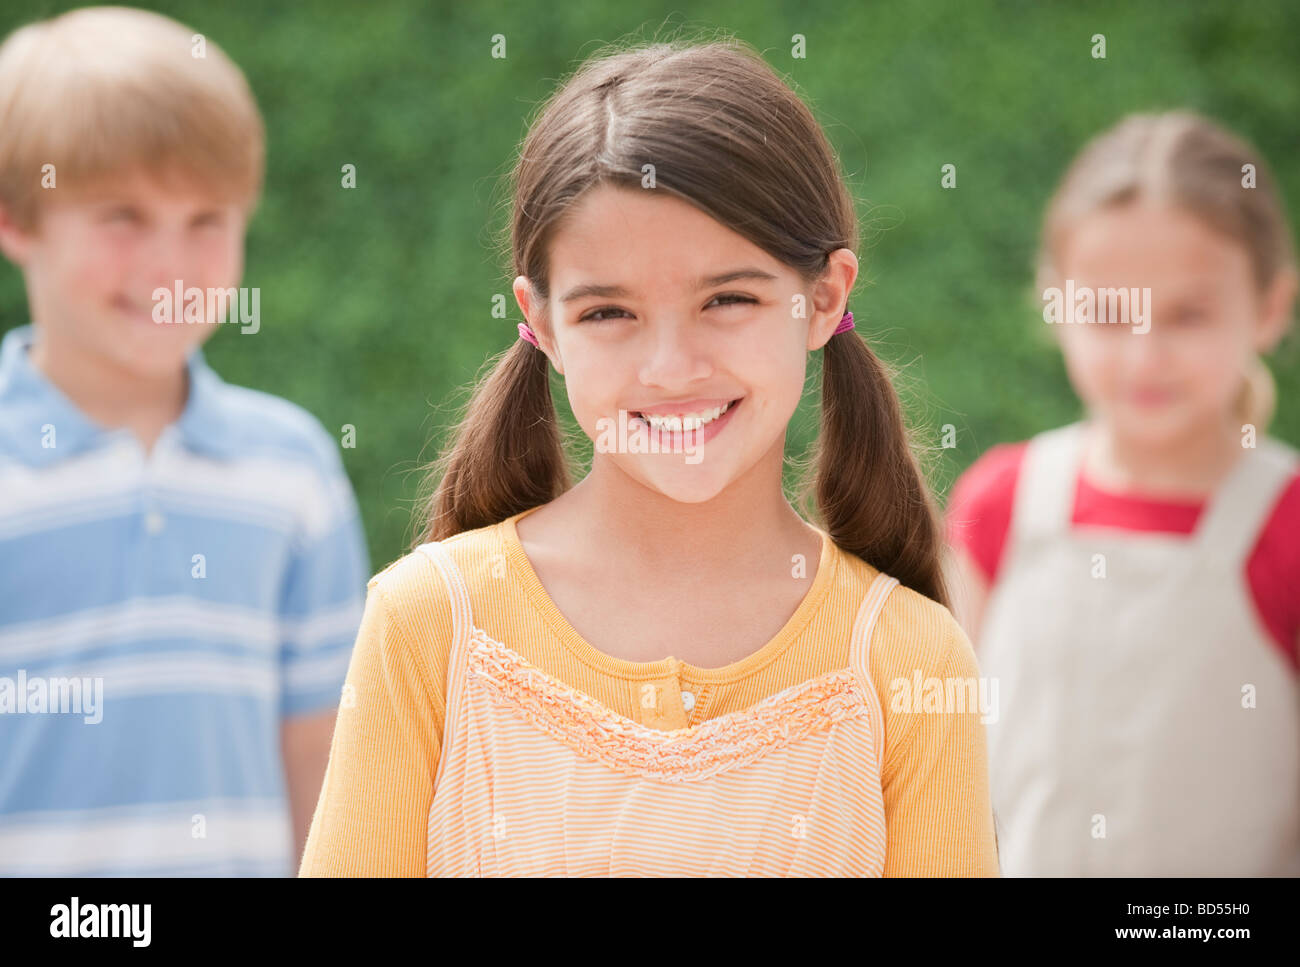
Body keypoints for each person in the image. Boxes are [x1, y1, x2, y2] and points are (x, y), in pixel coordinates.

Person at [300, 36, 998, 877]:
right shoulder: (428, 624)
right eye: (608, 313)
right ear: (544, 322)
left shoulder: (909, 659)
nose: (671, 369)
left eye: (728, 299)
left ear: (823, 298)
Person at [0, 6, 369, 876]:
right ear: (17, 219)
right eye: (121, 214)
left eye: (207, 218)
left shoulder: (294, 471)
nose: (171, 264)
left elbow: (324, 764)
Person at [945, 110, 1300, 875]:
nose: (1147, 354)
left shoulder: (1288, 526)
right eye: (1109, 313)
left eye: (1187, 314)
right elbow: (936, 758)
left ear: (1270, 306)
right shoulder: (999, 505)